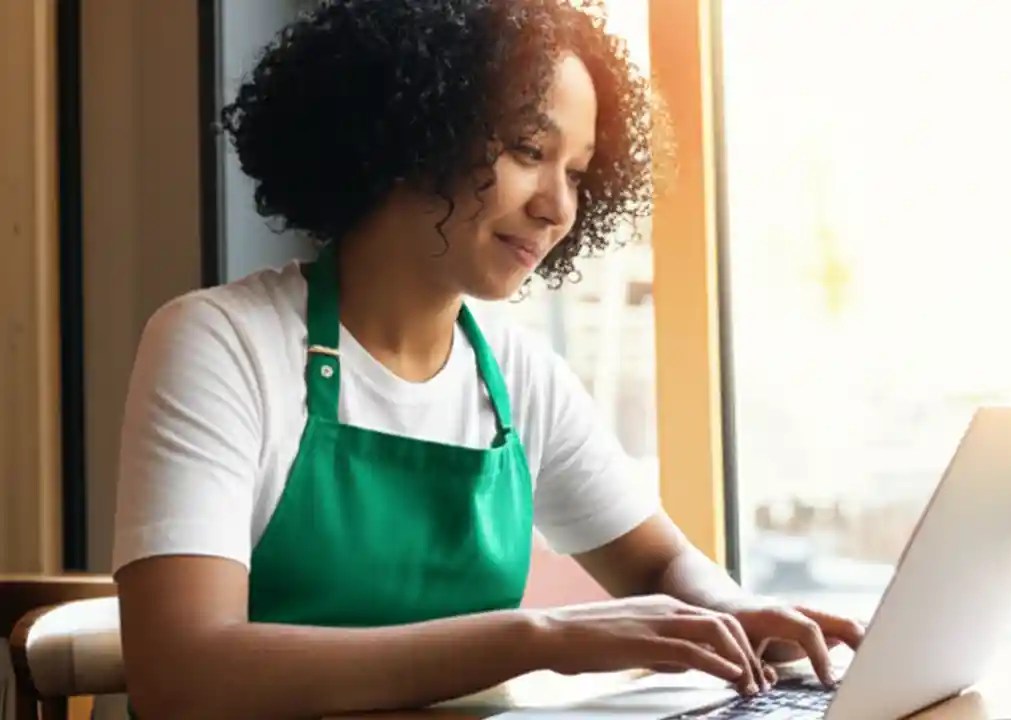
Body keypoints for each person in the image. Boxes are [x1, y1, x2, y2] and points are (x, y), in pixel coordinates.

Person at [111, 1, 864, 717]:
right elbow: (182, 674)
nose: (558, 207)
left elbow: (663, 565)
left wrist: (730, 608)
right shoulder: (220, 343)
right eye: (530, 151)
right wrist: (541, 639)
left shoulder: (515, 374)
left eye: (577, 173)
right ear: (411, 131)